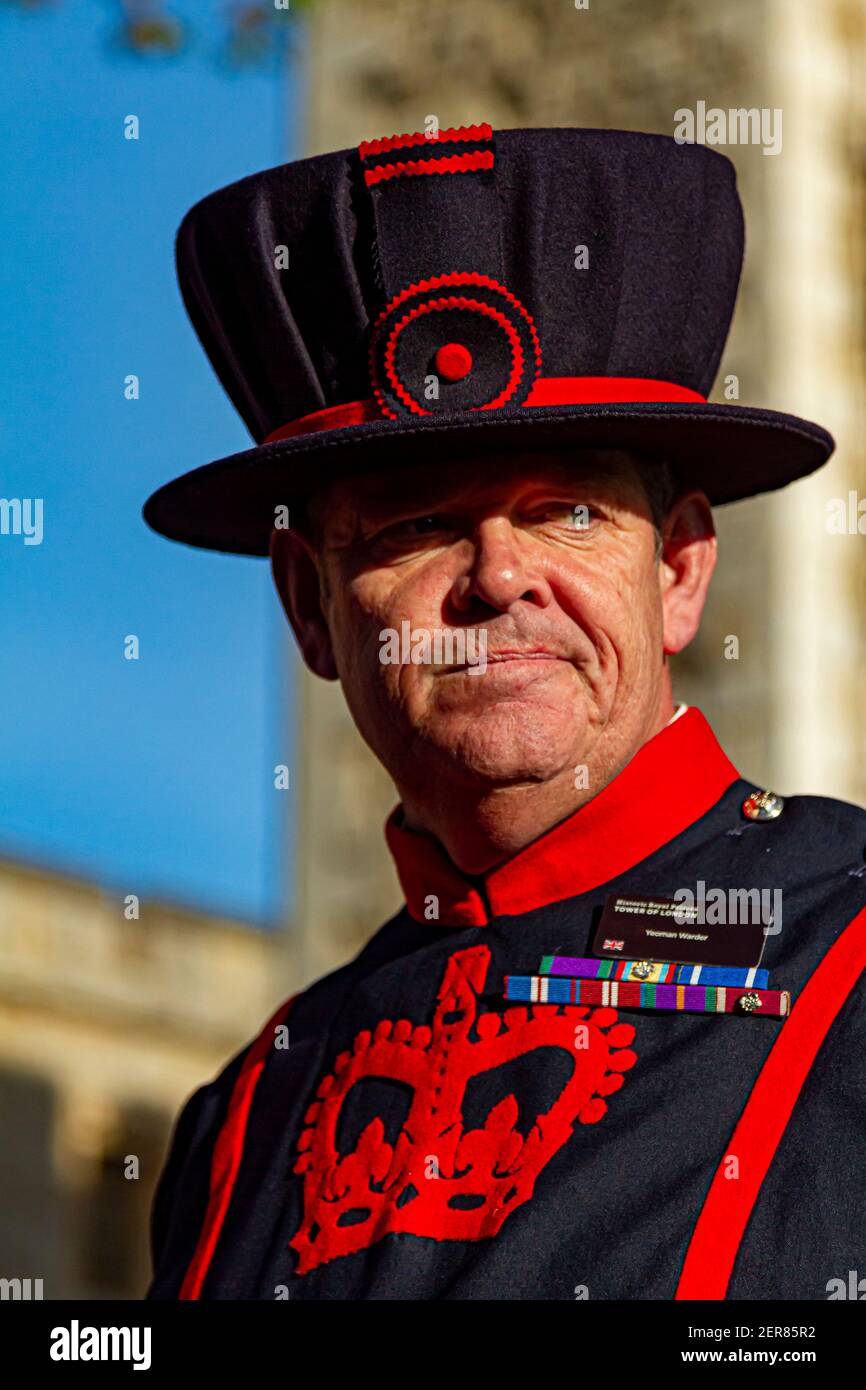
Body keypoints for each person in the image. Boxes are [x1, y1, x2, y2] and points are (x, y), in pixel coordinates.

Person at [144, 125, 866, 1301]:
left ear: (678, 572)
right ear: (310, 611)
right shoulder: (242, 1123)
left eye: (566, 512)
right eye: (414, 524)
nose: (496, 576)